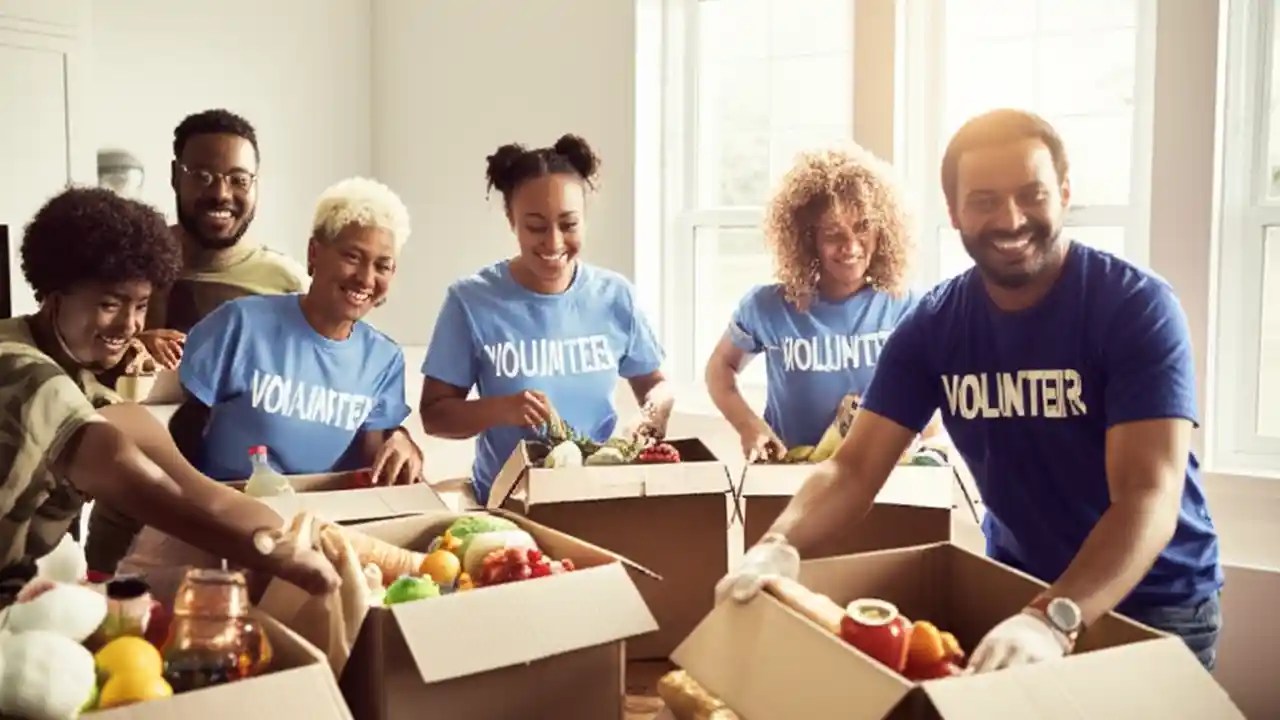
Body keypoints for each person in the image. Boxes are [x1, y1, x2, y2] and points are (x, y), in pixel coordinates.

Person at [714, 109, 1224, 672]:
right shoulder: (934, 326)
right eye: (984, 200)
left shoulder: (1135, 307)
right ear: (954, 211)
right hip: (1017, 587)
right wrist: (777, 545)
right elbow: (854, 469)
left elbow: (1147, 494)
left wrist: (1052, 616)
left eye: (1032, 194)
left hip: (1154, 603)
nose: (1011, 219)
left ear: (1065, 193)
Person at [0, 186, 337, 605]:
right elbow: (128, 476)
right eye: (110, 304)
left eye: (140, 306)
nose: (129, 325)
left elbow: (197, 491)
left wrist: (295, 542)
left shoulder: (84, 383)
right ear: (54, 295)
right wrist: (269, 557)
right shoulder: (18, 367)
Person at [419, 134, 672, 506]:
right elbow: (434, 416)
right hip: (507, 507)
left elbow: (657, 385)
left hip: (599, 498)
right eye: (536, 226)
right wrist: (501, 409)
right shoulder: (471, 301)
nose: (553, 243)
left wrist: (651, 415)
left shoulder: (615, 296)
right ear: (511, 220)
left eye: (568, 224)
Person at [170, 176, 422, 483]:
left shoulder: (384, 359)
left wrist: (401, 442)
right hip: (227, 508)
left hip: (321, 518)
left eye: (383, 266)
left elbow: (372, 463)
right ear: (314, 253)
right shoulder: (239, 324)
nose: (366, 279)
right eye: (352, 257)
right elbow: (178, 431)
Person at [704, 145, 938, 461]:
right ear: (807, 238)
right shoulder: (768, 307)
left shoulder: (906, 306)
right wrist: (750, 428)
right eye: (833, 234)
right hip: (788, 481)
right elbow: (721, 367)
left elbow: (933, 390)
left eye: (862, 228)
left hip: (881, 481)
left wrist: (924, 442)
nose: (851, 246)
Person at [132, 109, 308, 371]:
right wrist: (132, 346)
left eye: (239, 180)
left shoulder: (289, 285)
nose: (221, 194)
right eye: (203, 177)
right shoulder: (130, 261)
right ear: (175, 177)